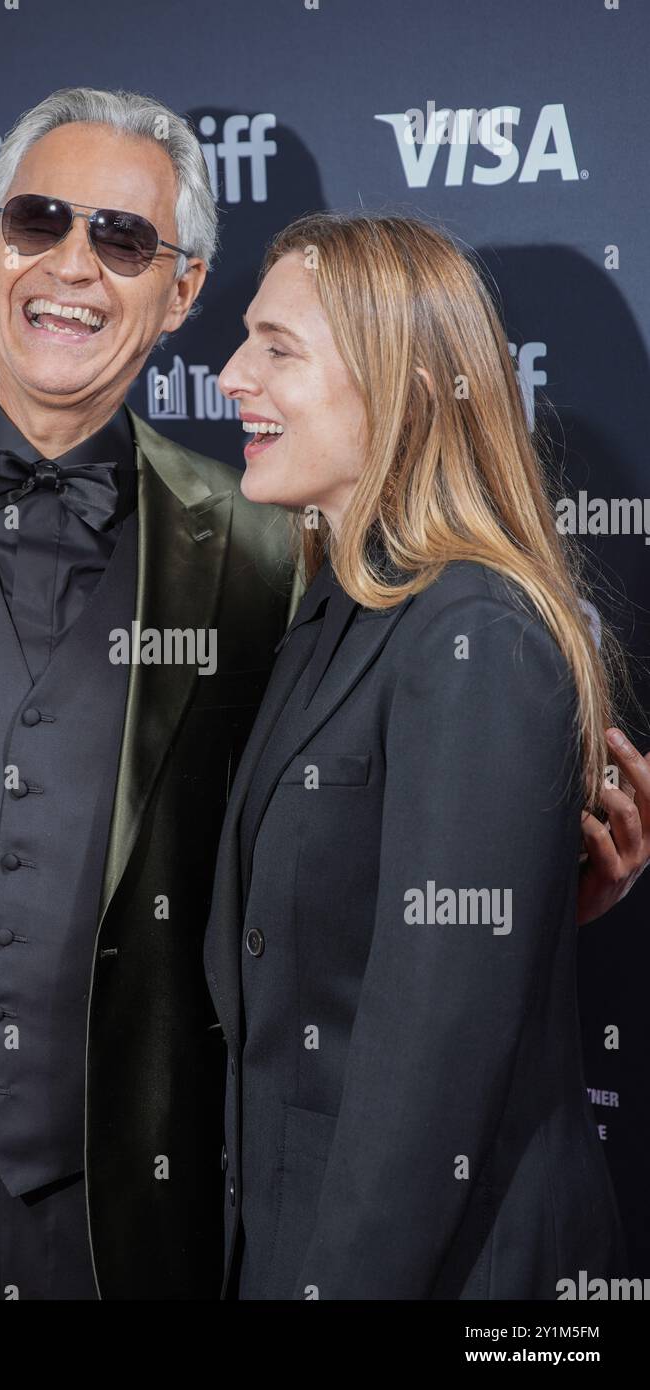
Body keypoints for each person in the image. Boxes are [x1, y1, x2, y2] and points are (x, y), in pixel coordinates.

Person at [0, 93, 645, 1302]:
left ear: (179, 289)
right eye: (36, 220)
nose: (70, 264)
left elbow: (377, 879)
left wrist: (518, 890)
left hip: (135, 1219)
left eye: (122, 238)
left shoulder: (269, 545)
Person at [204, 211, 639, 1300]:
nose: (229, 376)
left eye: (277, 349)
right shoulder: (339, 607)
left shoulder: (476, 638)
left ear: (398, 386)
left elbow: (428, 1080)